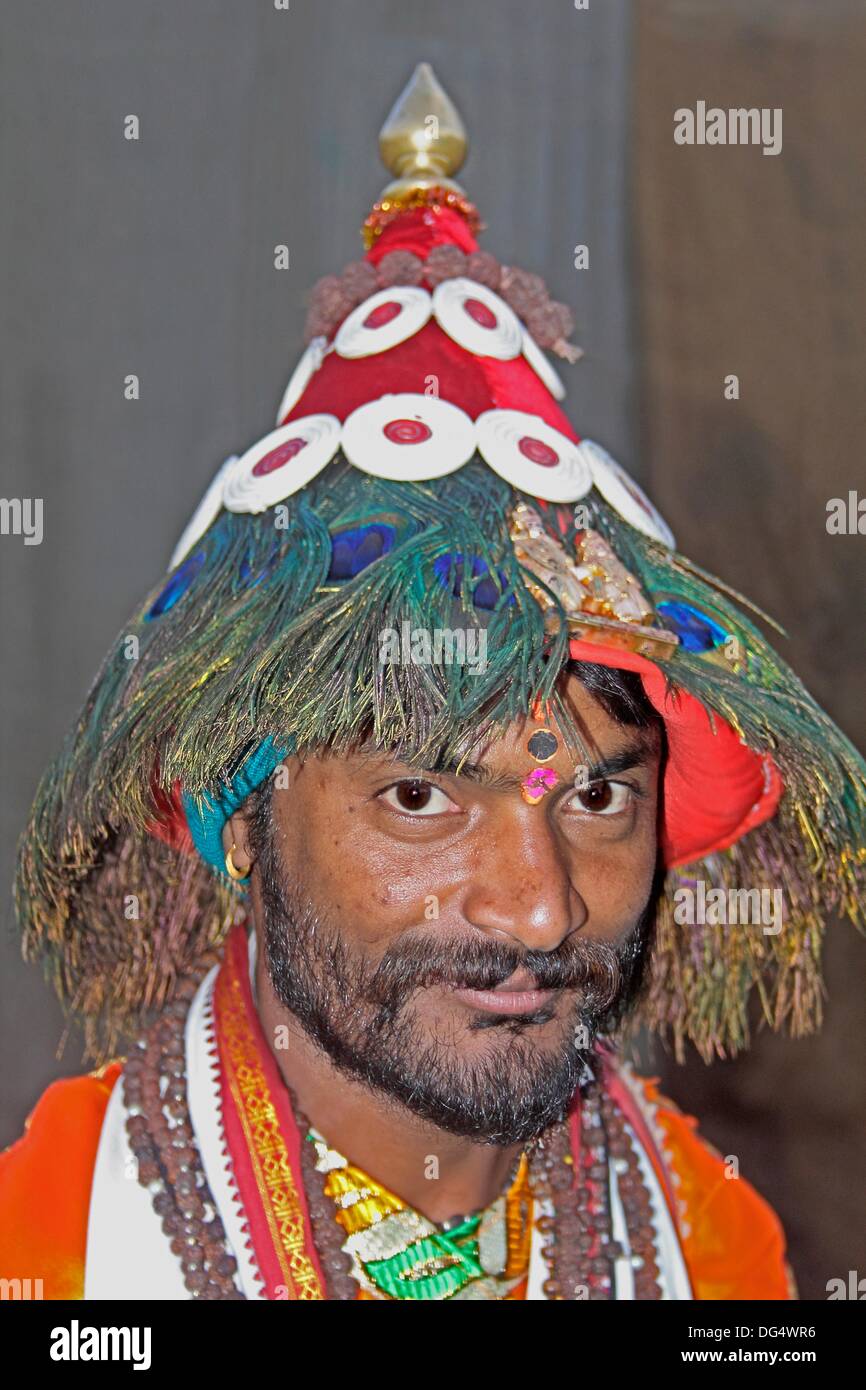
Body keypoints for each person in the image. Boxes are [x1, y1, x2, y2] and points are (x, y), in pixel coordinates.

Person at [2, 63, 863, 1302]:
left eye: (596, 798)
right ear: (242, 820)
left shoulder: (709, 1242)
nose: (538, 912)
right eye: (420, 797)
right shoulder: (55, 1253)